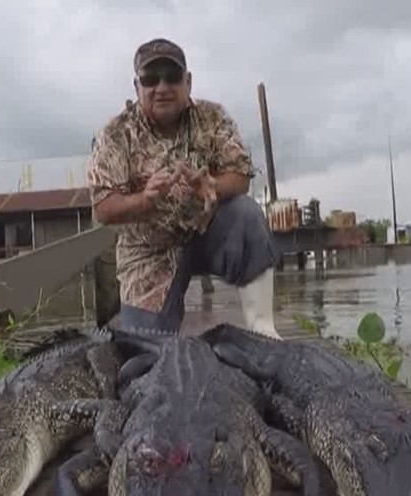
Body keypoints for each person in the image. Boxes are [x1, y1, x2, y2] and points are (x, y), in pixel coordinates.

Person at [87, 37, 281, 337]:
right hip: (149, 252)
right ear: (137, 87)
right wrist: (144, 200)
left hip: (207, 231)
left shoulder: (213, 117)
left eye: (172, 76)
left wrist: (214, 185)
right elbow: (103, 208)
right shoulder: (115, 134)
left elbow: (241, 176)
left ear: (187, 82)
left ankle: (263, 328)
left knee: (246, 213)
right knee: (145, 350)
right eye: (151, 78)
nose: (162, 87)